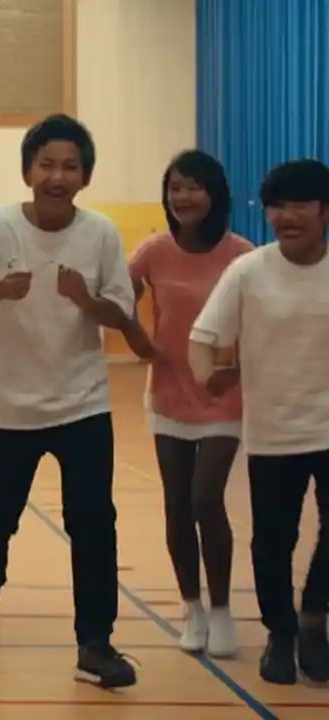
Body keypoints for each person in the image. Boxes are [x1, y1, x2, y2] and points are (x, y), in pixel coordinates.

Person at [0, 114, 137, 689]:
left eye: (70, 166)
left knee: (93, 522)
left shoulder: (101, 233)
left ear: (85, 176)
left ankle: (95, 641)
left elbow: (122, 315)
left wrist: (86, 299)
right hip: (10, 406)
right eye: (47, 164)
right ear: (29, 170)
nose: (58, 175)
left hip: (83, 401)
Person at [188, 159, 329, 686]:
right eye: (277, 205)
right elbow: (202, 337)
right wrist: (209, 381)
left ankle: (315, 614)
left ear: (324, 211)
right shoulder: (249, 270)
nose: (286, 215)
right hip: (274, 432)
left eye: (299, 204)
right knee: (273, 540)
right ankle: (282, 632)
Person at [123, 150, 251, 657]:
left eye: (194, 187)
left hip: (223, 395)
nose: (183, 197)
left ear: (214, 193)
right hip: (169, 392)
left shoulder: (242, 254)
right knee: (176, 503)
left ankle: (222, 609)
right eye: (175, 187)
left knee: (205, 498)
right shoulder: (153, 251)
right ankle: (191, 607)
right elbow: (117, 298)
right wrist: (139, 342)